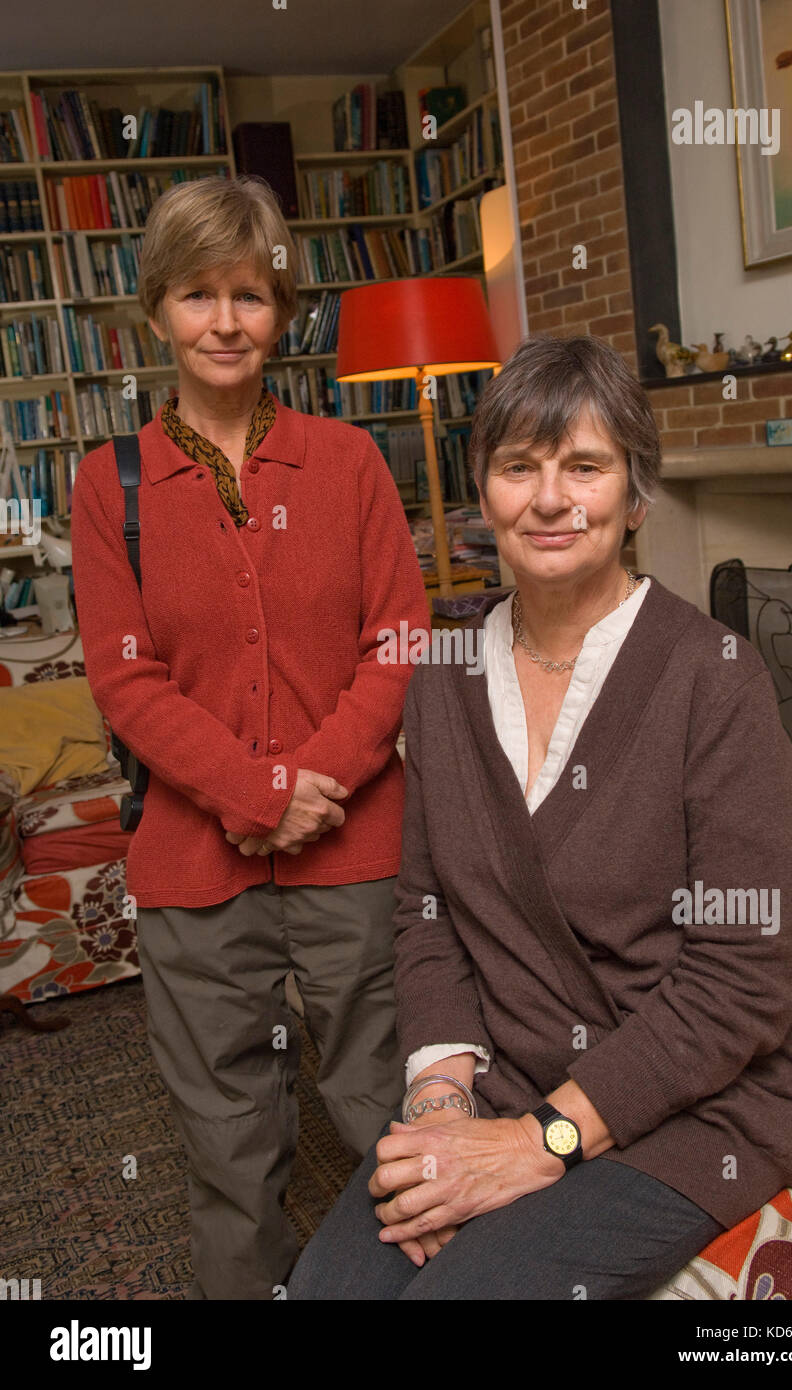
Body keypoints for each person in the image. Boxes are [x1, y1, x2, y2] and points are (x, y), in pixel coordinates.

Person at [286, 333, 792, 1300]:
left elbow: (743, 977)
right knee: (330, 1289)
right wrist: (442, 1100)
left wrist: (545, 1142)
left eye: (584, 466)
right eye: (517, 467)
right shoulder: (443, 679)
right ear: (483, 492)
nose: (548, 499)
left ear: (635, 493)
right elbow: (430, 916)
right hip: (506, 1074)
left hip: (705, 1102)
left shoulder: (715, 680)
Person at [70, 175, 429, 1299]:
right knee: (227, 1141)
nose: (225, 322)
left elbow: (399, 640)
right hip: (193, 871)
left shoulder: (350, 463)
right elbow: (126, 678)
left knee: (397, 1112)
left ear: (282, 311)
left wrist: (314, 780)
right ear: (155, 313)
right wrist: (261, 791)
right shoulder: (107, 483)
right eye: (196, 295)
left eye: (250, 295)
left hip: (358, 850)